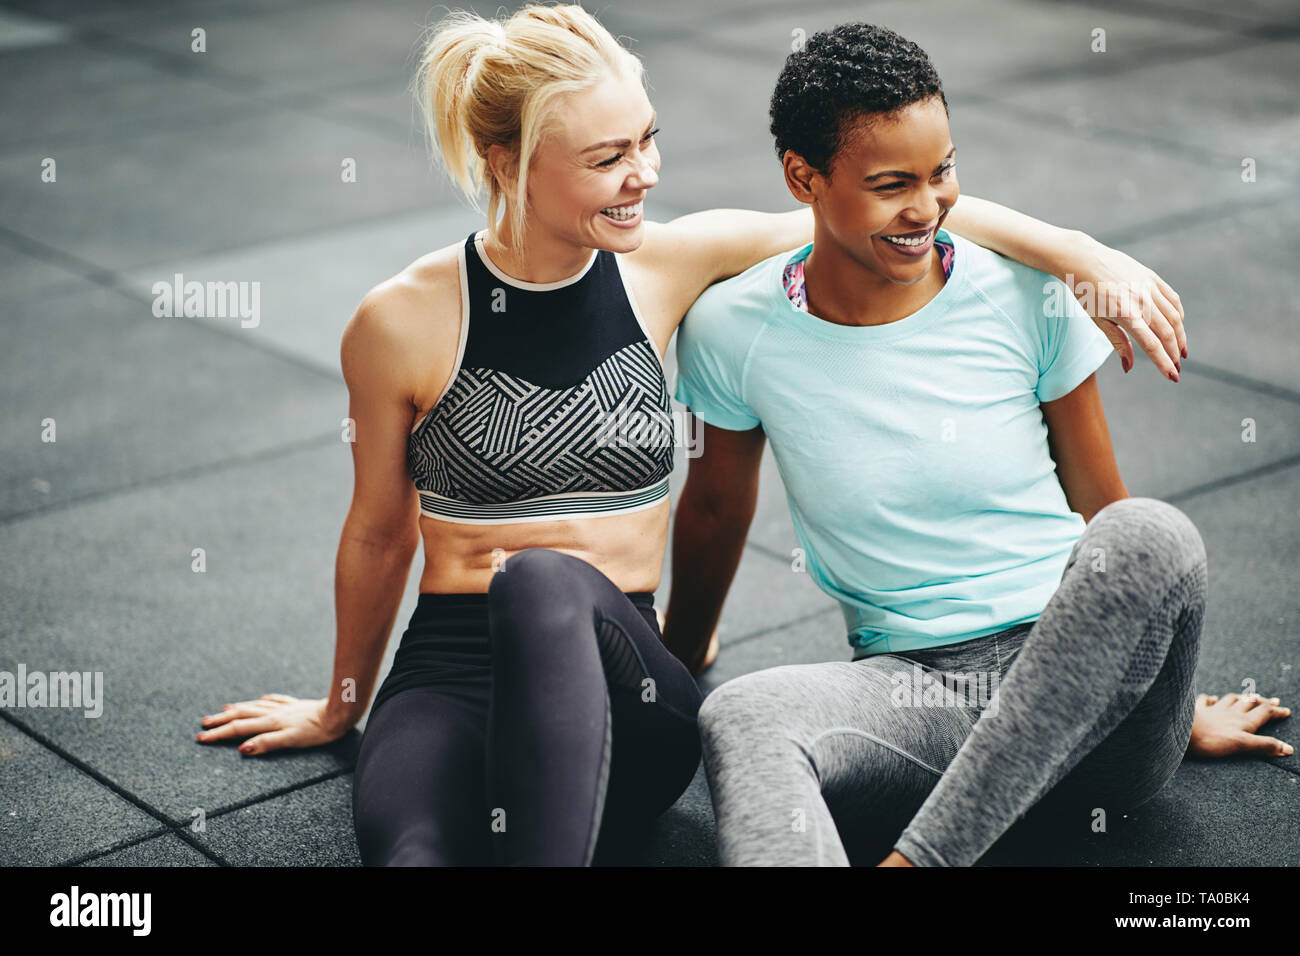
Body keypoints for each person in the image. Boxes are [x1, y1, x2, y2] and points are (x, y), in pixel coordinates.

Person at [196, 4, 1197, 866]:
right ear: (507, 163)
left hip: (656, 664)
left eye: (647, 139)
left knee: (537, 576)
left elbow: (891, 204)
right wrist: (338, 705)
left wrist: (1075, 249)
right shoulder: (404, 320)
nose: (644, 175)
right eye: (607, 156)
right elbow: (380, 532)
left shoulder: (672, 266)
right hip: (468, 669)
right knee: (441, 836)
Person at [666, 22, 1292, 866]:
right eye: (892, 185)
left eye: (944, 171)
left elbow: (1102, 504)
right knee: (740, 714)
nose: (925, 207)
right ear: (801, 178)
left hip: (1094, 710)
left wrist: (1165, 706)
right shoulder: (734, 328)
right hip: (919, 701)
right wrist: (677, 660)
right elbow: (711, 508)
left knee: (1150, 532)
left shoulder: (1024, 291)